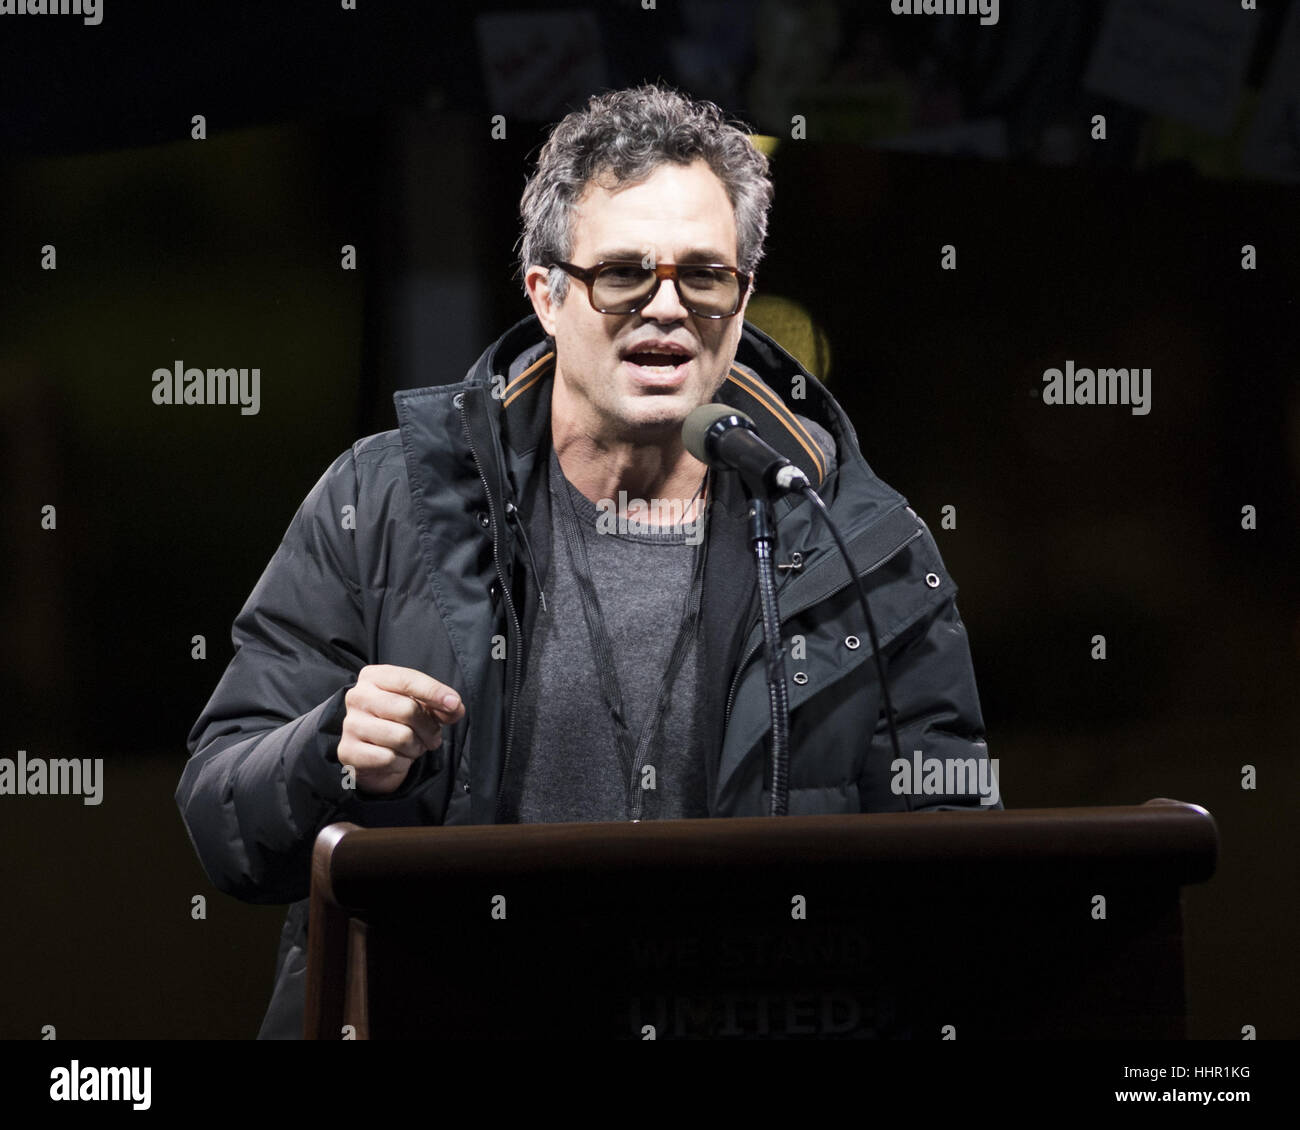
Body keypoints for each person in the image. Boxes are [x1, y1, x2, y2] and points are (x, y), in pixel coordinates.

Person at [175, 82, 998, 1040]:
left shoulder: (859, 540)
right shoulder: (387, 500)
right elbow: (220, 818)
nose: (667, 309)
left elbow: (959, 878)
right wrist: (330, 751)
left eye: (704, 275)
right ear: (547, 293)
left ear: (742, 294)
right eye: (622, 275)